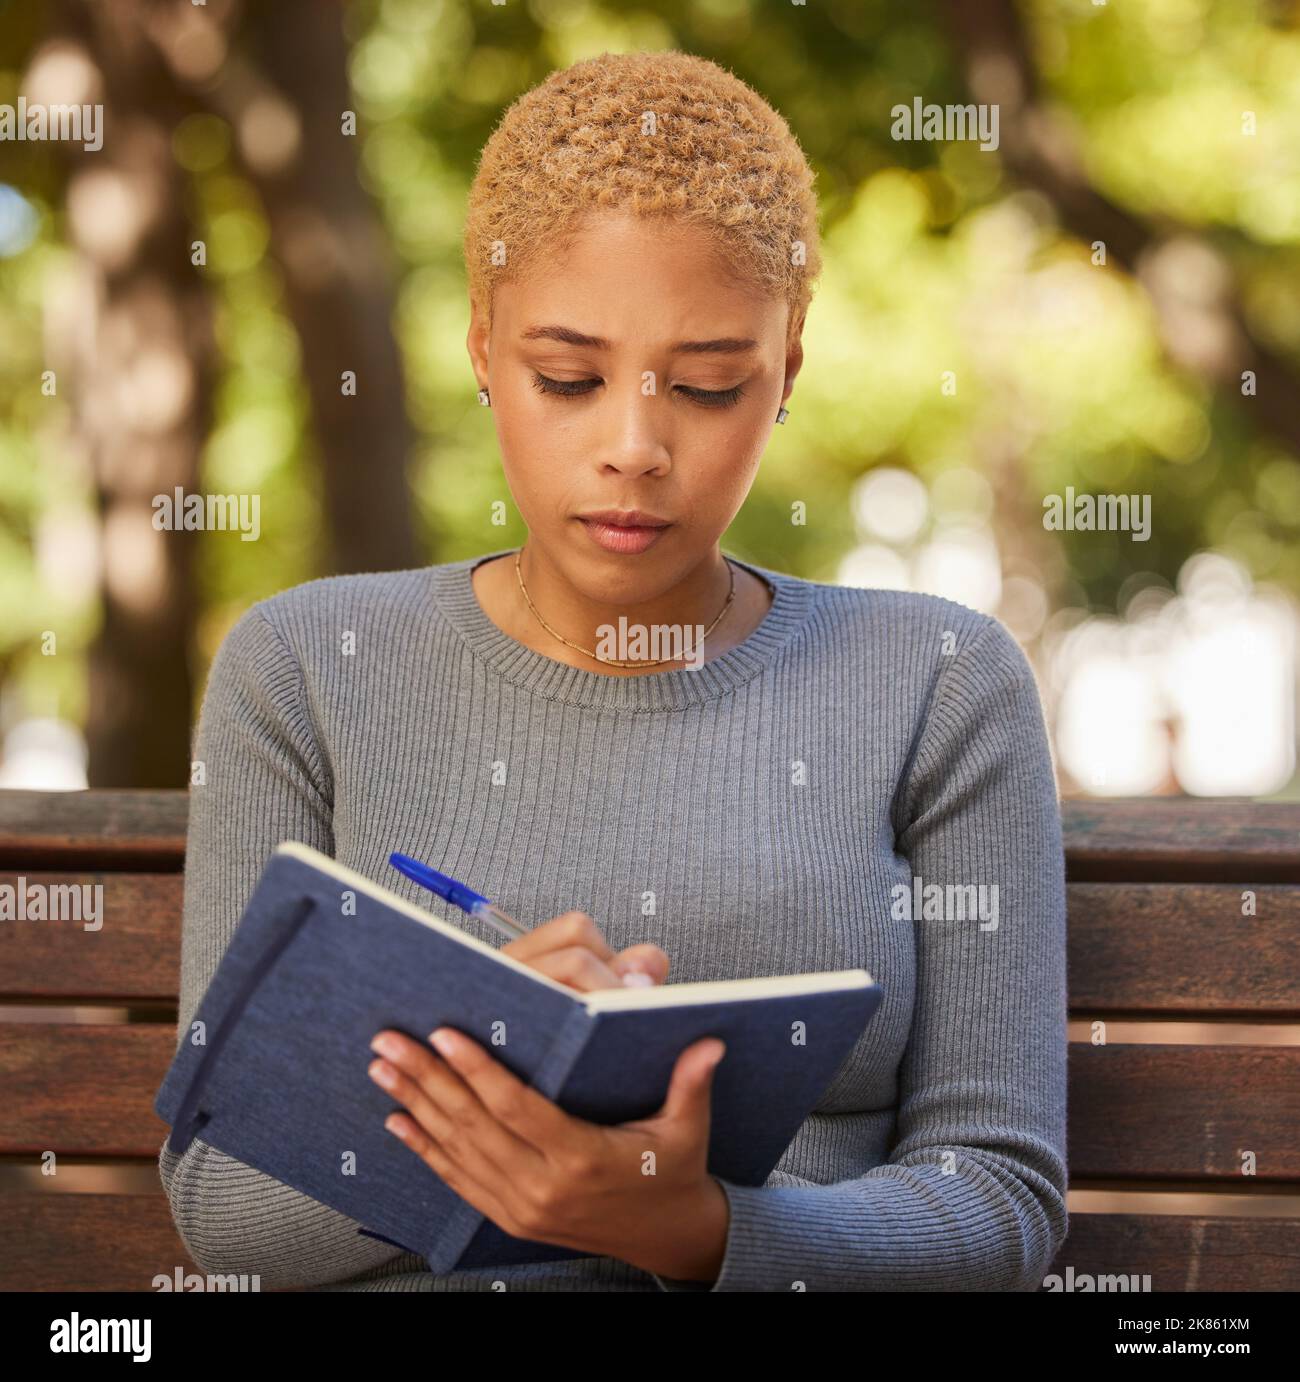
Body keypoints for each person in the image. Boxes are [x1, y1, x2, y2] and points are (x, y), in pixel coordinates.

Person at [159, 49, 1067, 1292]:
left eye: (707, 385)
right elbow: (222, 1204)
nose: (634, 446)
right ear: (483, 349)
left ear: (787, 371)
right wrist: (488, 1085)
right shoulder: (308, 668)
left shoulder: (938, 684)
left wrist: (689, 1228)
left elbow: (999, 1198)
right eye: (567, 378)